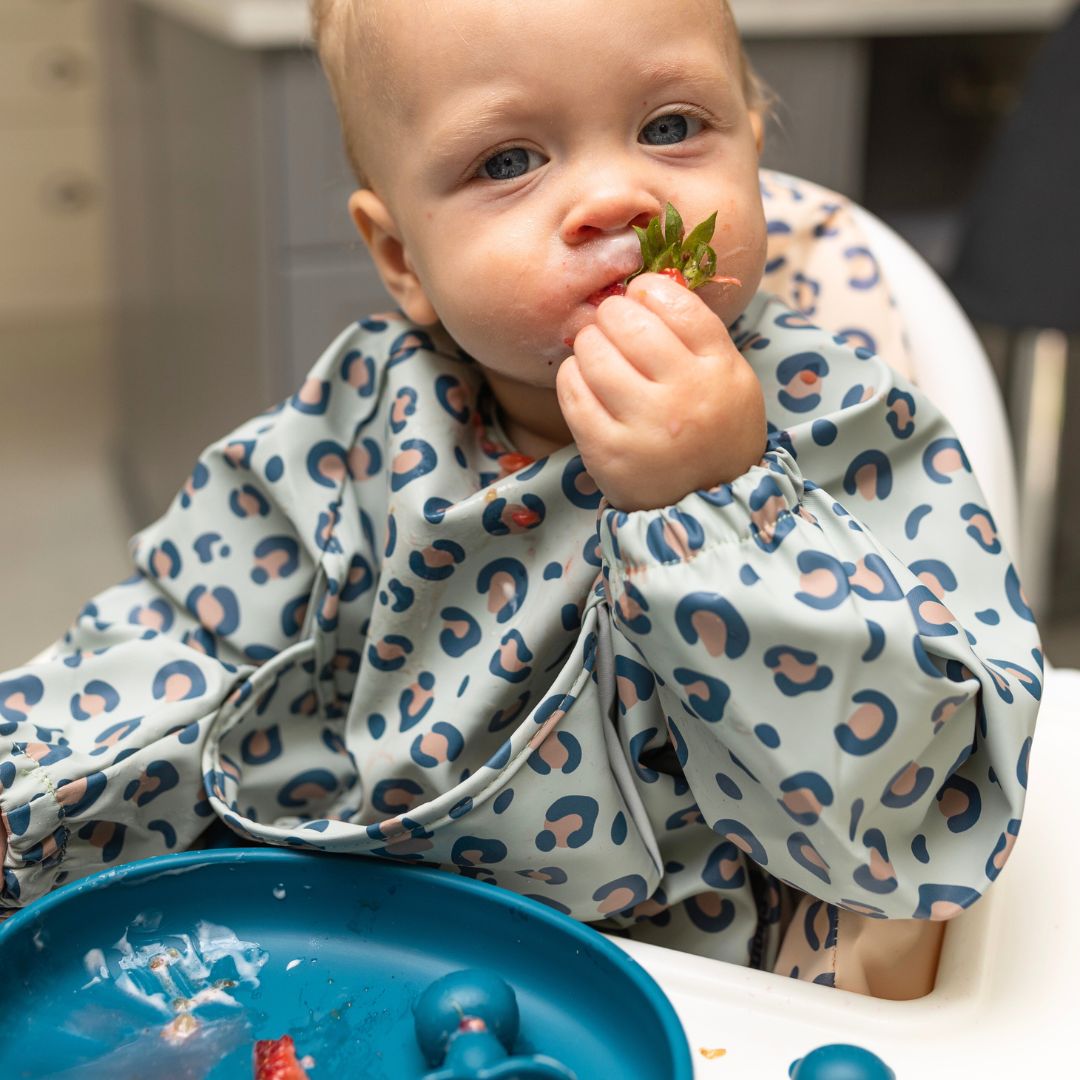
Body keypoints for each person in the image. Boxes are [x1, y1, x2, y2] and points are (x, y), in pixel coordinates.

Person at [0, 0, 1039, 1000]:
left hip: (695, 979)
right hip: (370, 938)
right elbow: (184, 636)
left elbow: (925, 800)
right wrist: (35, 792)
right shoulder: (362, 426)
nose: (616, 199)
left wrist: (721, 506)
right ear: (403, 258)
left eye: (671, 127)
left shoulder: (840, 422)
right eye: (508, 161)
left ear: (751, 148)